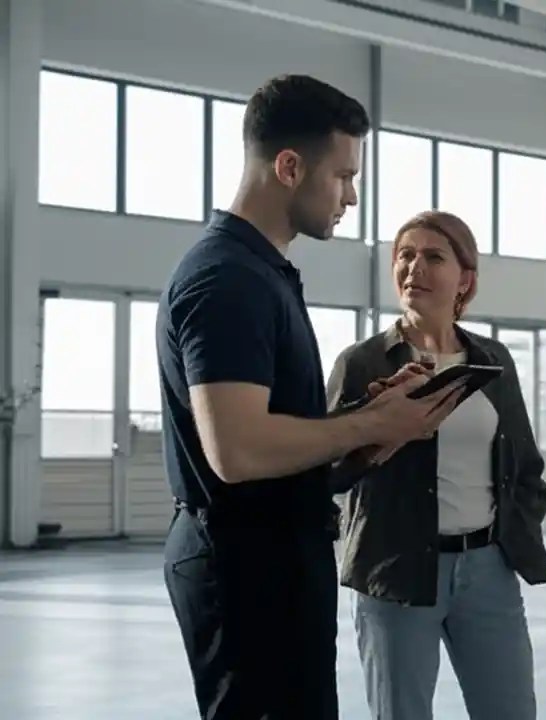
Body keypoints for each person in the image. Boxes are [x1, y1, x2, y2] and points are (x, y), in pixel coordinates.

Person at [156, 75, 465, 720]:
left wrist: (372, 429)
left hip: (276, 554)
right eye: (344, 177)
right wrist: (366, 423)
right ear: (290, 167)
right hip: (243, 568)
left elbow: (280, 438)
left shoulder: (265, 273)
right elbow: (237, 450)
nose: (352, 197)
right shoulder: (227, 282)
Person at [326, 210, 546, 720]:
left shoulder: (493, 360)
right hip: (397, 572)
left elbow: (524, 464)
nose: (414, 268)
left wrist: (511, 540)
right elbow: (327, 471)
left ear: (465, 279)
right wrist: (375, 424)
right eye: (404, 256)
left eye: (433, 256)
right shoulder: (363, 363)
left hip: (489, 570)